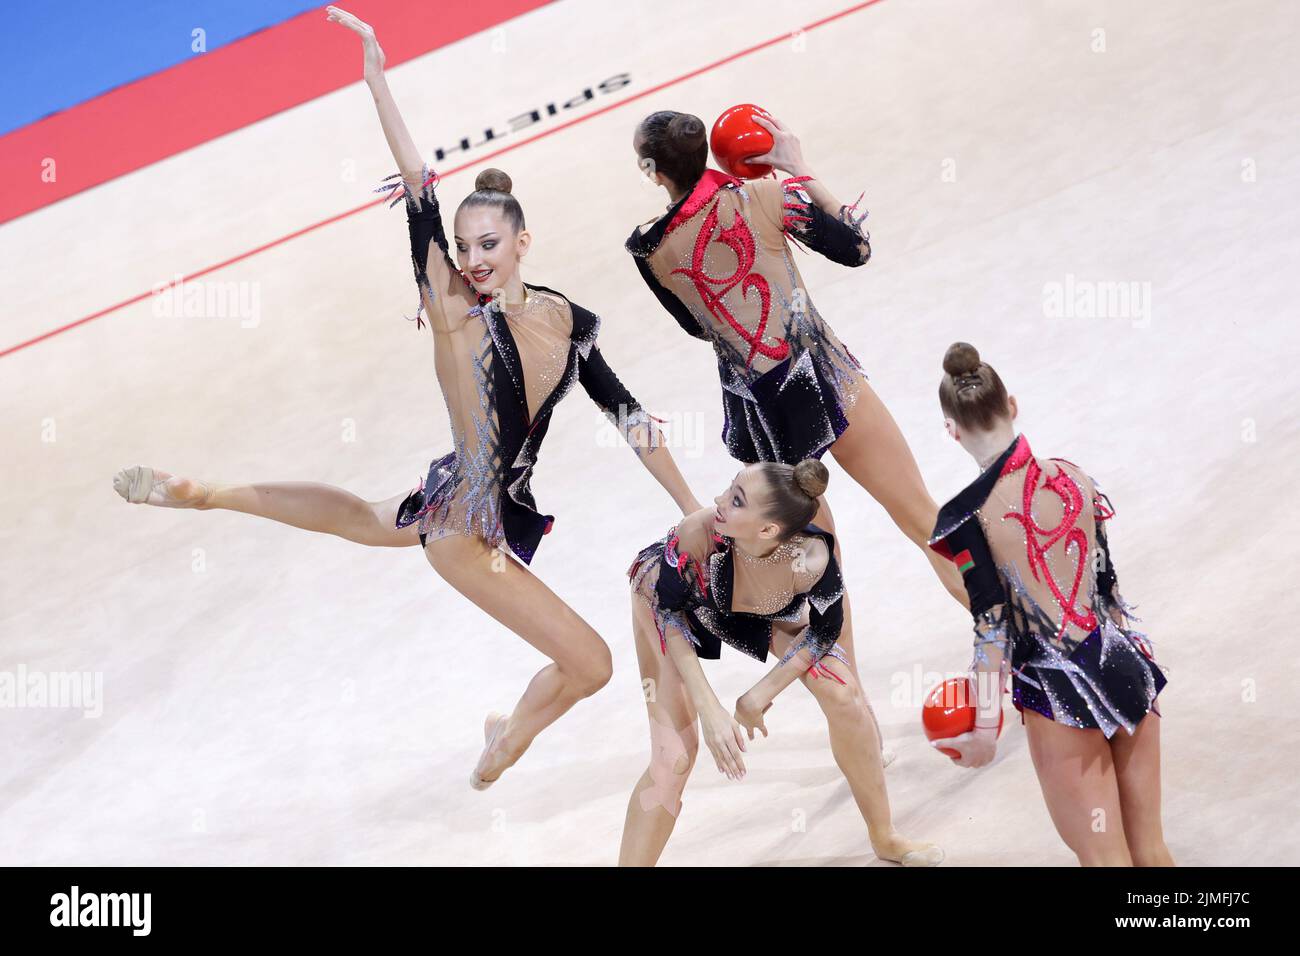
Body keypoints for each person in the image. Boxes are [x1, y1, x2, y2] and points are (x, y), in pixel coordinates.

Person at [112, 5, 701, 791]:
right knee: (590, 664)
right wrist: (377, 80)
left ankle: (207, 493)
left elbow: (629, 417)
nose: (473, 259)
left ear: (523, 242)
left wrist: (691, 506)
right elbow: (421, 188)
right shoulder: (455, 313)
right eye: (462, 248)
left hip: (462, 494)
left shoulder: (565, 318)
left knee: (361, 518)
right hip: (465, 526)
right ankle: (504, 743)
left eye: (487, 245)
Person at [619, 458, 943, 867]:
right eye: (729, 488)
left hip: (755, 609)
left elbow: (826, 629)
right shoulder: (699, 532)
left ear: (769, 530)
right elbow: (669, 612)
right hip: (667, 609)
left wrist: (760, 694)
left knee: (844, 695)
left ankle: (884, 834)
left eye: (736, 500)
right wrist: (710, 707)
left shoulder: (810, 557)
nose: (718, 500)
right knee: (674, 759)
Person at [926, 341, 1173, 866]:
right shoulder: (1074, 477)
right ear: (1011, 405)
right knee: (1151, 852)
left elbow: (991, 625)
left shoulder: (966, 520)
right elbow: (1108, 588)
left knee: (1106, 861)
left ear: (951, 430)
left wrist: (985, 730)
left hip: (1060, 699)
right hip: (1126, 671)